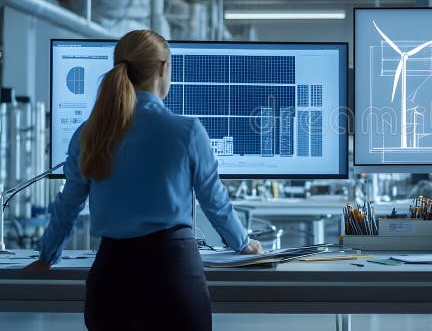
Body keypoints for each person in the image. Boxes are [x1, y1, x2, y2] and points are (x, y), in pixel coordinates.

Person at [26, 30, 264, 331]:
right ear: (163, 69)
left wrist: (47, 257)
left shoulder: (90, 133)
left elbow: (68, 204)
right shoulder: (187, 130)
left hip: (111, 280)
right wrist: (242, 244)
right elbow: (214, 201)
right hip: (173, 278)